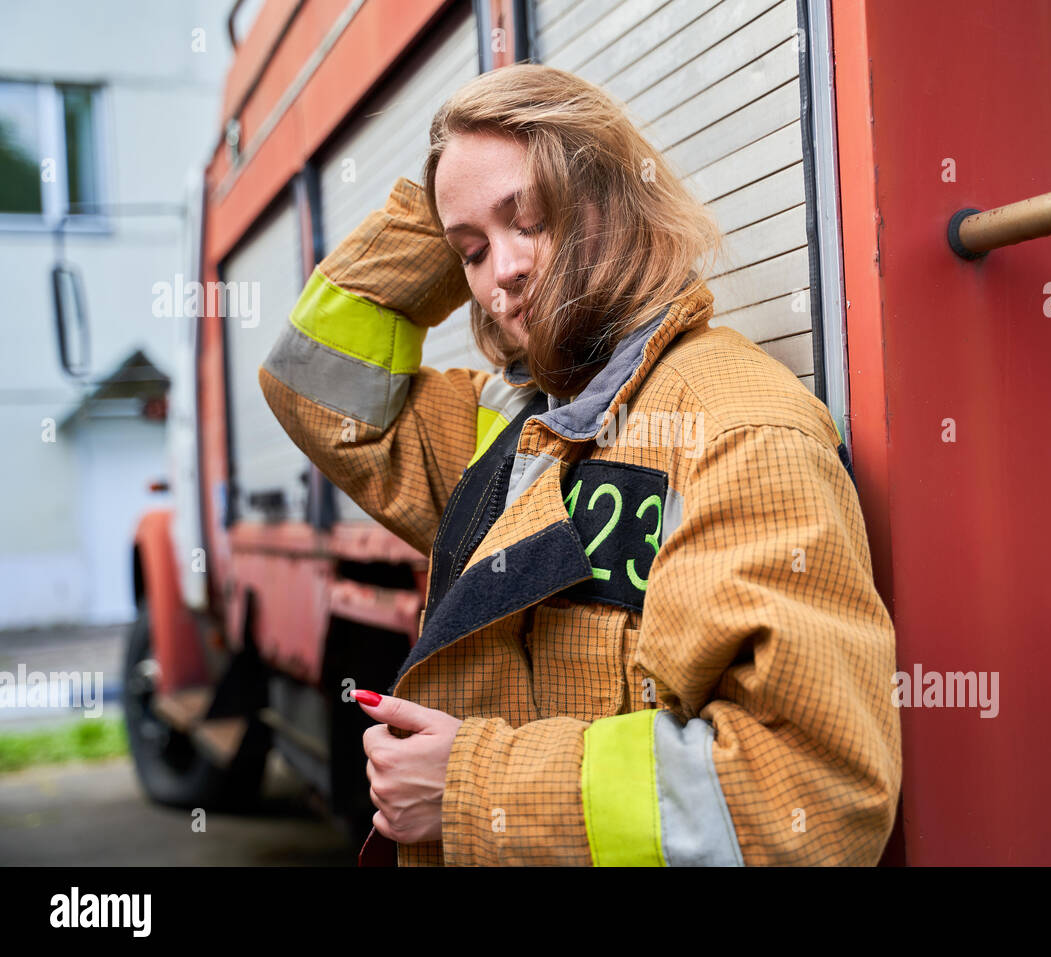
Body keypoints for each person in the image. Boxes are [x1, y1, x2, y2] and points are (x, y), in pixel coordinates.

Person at [259, 62, 901, 866]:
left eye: (526, 218)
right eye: (472, 252)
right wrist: (450, 186)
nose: (504, 274)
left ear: (610, 196)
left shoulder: (740, 429)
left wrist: (473, 787)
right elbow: (309, 375)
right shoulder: (513, 427)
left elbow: (811, 797)